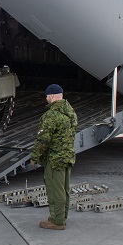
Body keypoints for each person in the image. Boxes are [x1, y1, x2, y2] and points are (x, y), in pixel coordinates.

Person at [30, 84, 77, 230]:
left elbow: (43, 140)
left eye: (46, 96)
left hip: (55, 159)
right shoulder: (71, 112)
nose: (46, 99)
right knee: (64, 189)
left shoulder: (51, 115)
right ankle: (61, 216)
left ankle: (57, 222)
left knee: (55, 190)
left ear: (51, 96)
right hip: (67, 156)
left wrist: (35, 157)